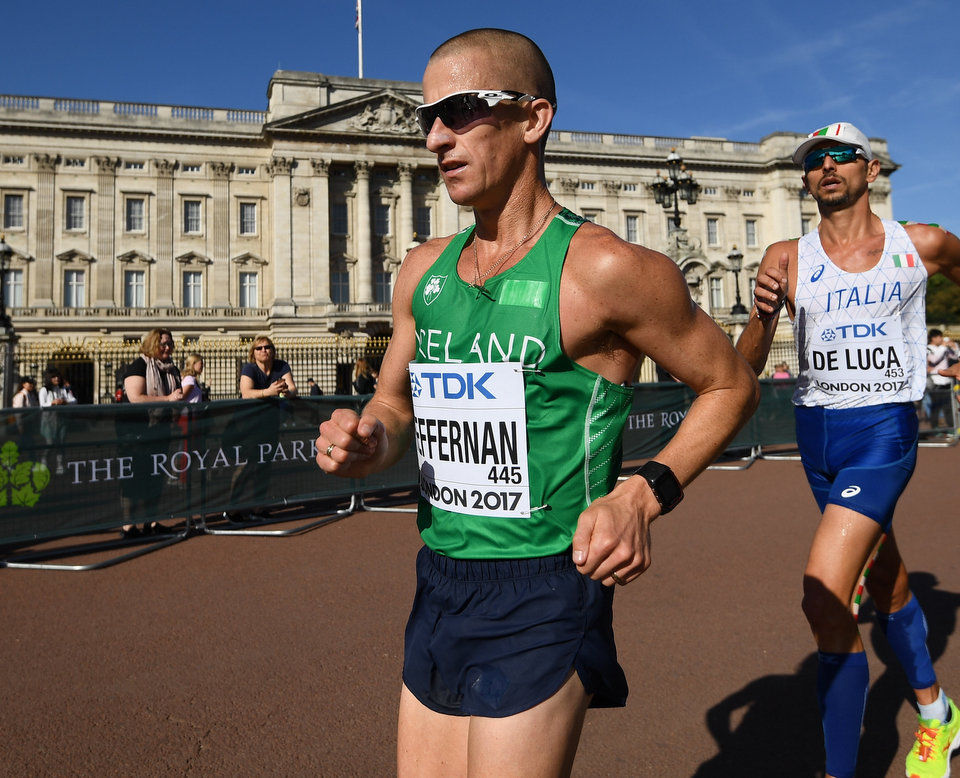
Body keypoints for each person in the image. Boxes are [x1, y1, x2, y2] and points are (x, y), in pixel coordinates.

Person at [317, 29, 758, 777]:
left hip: (548, 580)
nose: (432, 138)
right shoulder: (421, 270)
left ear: (533, 118)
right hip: (442, 574)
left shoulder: (608, 269)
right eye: (429, 117)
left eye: (459, 111)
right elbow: (395, 409)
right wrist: (367, 440)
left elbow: (731, 385)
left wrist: (643, 495)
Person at [736, 120, 960, 778]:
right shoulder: (784, 256)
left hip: (883, 431)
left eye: (841, 157)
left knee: (825, 594)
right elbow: (746, 366)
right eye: (814, 161)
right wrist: (763, 313)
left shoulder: (921, 243)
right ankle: (938, 714)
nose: (826, 167)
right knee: (885, 582)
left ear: (871, 170)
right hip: (817, 434)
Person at [120, 328, 183, 536]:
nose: (167, 347)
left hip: (161, 430)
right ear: (152, 344)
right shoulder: (139, 366)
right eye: (163, 344)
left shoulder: (172, 369)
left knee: (156, 476)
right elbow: (136, 397)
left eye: (170, 344)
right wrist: (167, 400)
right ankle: (129, 525)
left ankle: (151, 522)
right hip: (138, 432)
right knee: (135, 479)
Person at [924, 330, 960, 429]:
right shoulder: (928, 348)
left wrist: (953, 346)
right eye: (939, 337)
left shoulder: (944, 348)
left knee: (948, 406)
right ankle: (935, 427)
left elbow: (955, 356)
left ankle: (951, 427)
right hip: (935, 381)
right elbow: (934, 360)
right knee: (936, 406)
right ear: (933, 338)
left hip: (946, 381)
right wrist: (944, 347)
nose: (941, 339)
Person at [38, 367, 77, 445]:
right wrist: (52, 403)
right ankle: (45, 457)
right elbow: (42, 405)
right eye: (54, 377)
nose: (57, 379)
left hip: (61, 419)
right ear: (49, 378)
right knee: (50, 443)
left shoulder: (63, 389)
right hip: (48, 420)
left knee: (61, 442)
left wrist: (65, 402)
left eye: (58, 376)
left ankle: (60, 457)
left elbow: (74, 401)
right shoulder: (44, 390)